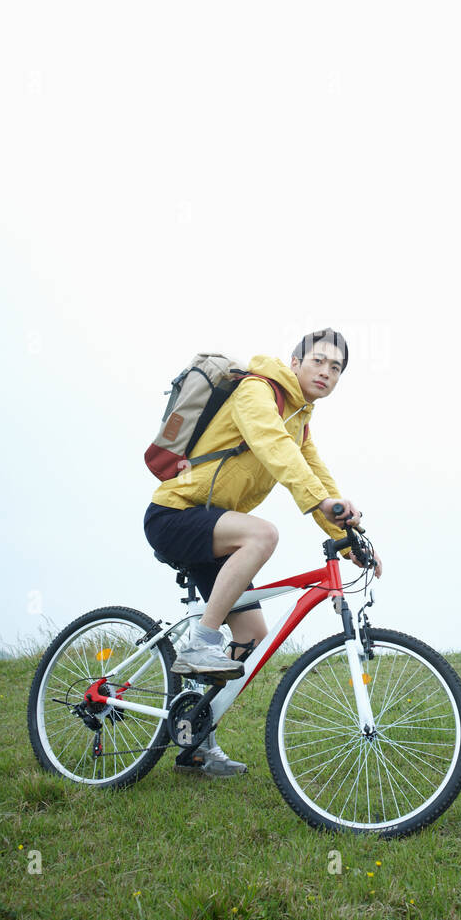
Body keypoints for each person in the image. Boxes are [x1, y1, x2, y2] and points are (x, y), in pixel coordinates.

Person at [142, 327, 382, 778]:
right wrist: (320, 502)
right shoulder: (258, 390)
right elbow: (276, 452)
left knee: (251, 638)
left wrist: (351, 537)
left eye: (336, 368)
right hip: (175, 513)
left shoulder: (301, 420)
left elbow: (317, 476)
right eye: (319, 362)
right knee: (263, 535)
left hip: (214, 530)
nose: (326, 373)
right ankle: (200, 641)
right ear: (295, 363)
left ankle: (195, 739)